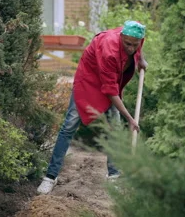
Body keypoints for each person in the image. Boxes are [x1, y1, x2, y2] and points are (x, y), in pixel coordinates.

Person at [37, 20, 148, 195]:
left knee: (115, 129)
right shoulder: (110, 51)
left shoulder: (134, 37)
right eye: (128, 44)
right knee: (69, 126)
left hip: (109, 82)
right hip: (88, 82)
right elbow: (111, 91)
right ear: (121, 37)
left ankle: (114, 175)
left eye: (135, 45)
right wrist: (130, 118)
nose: (131, 48)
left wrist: (141, 59)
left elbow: (138, 45)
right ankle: (50, 177)